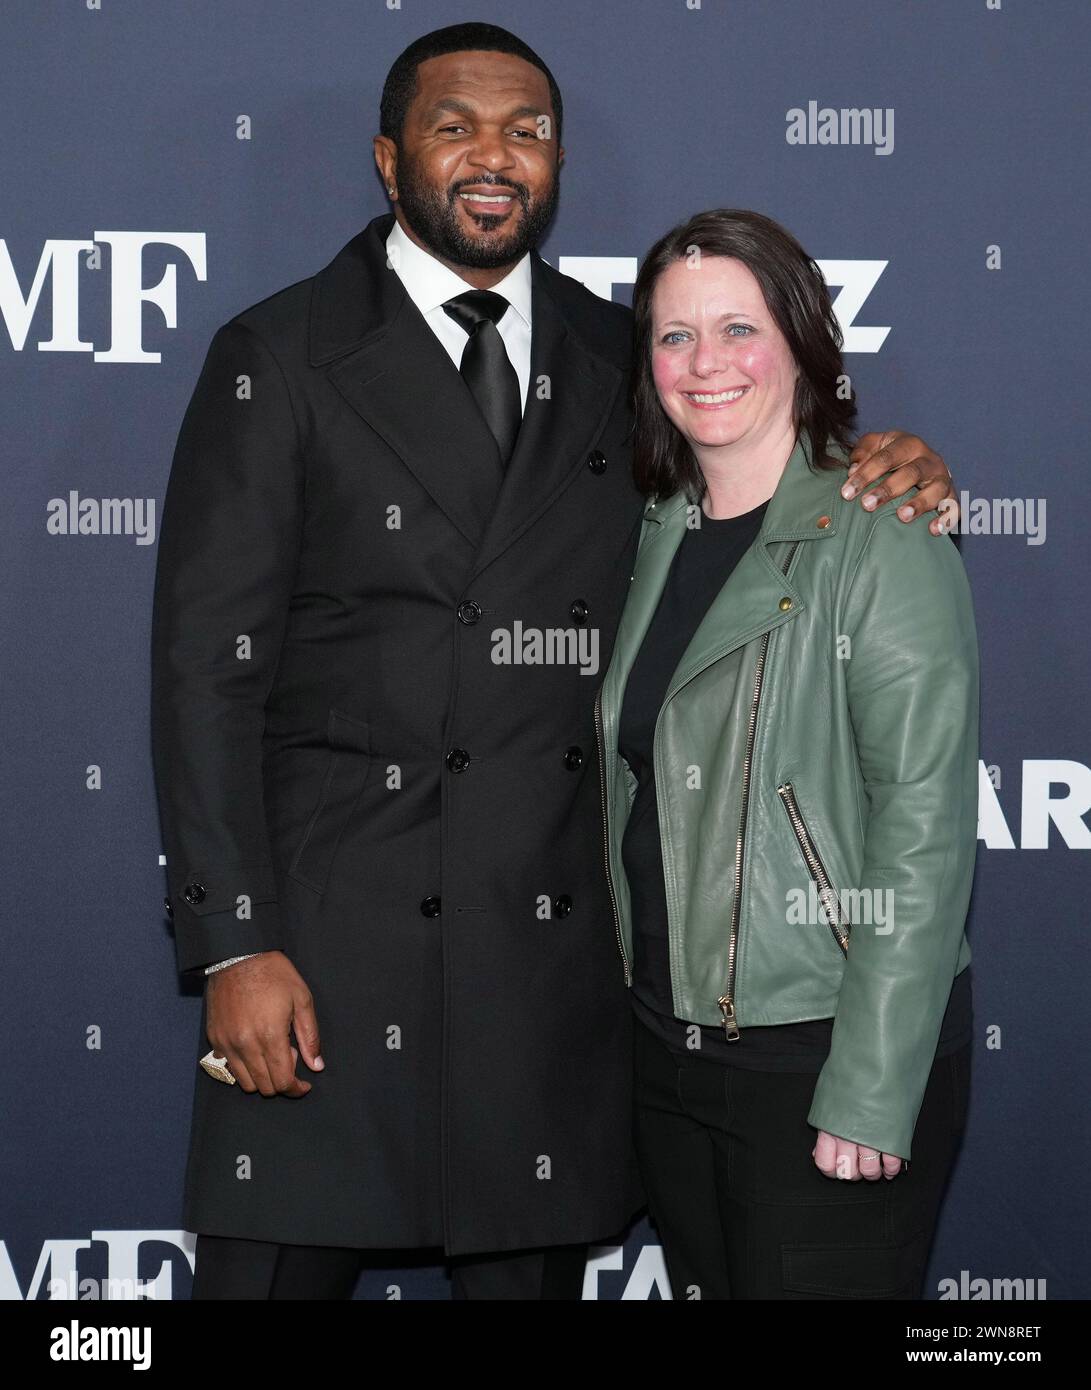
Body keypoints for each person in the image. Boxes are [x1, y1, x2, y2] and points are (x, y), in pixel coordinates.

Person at [151, 24, 960, 1301]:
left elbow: (756, 472)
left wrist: (884, 459)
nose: (493, 157)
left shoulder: (620, 354)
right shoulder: (279, 356)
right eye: (454, 125)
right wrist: (232, 942)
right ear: (385, 157)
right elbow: (205, 670)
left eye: (525, 131)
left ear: (556, 162)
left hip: (545, 970)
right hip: (323, 962)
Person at [596, 208, 978, 1300]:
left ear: (802, 342)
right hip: (671, 1053)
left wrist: (870, 1082)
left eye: (736, 328)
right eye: (673, 336)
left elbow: (923, 829)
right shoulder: (656, 528)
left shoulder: (882, 528)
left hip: (819, 1053)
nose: (703, 363)